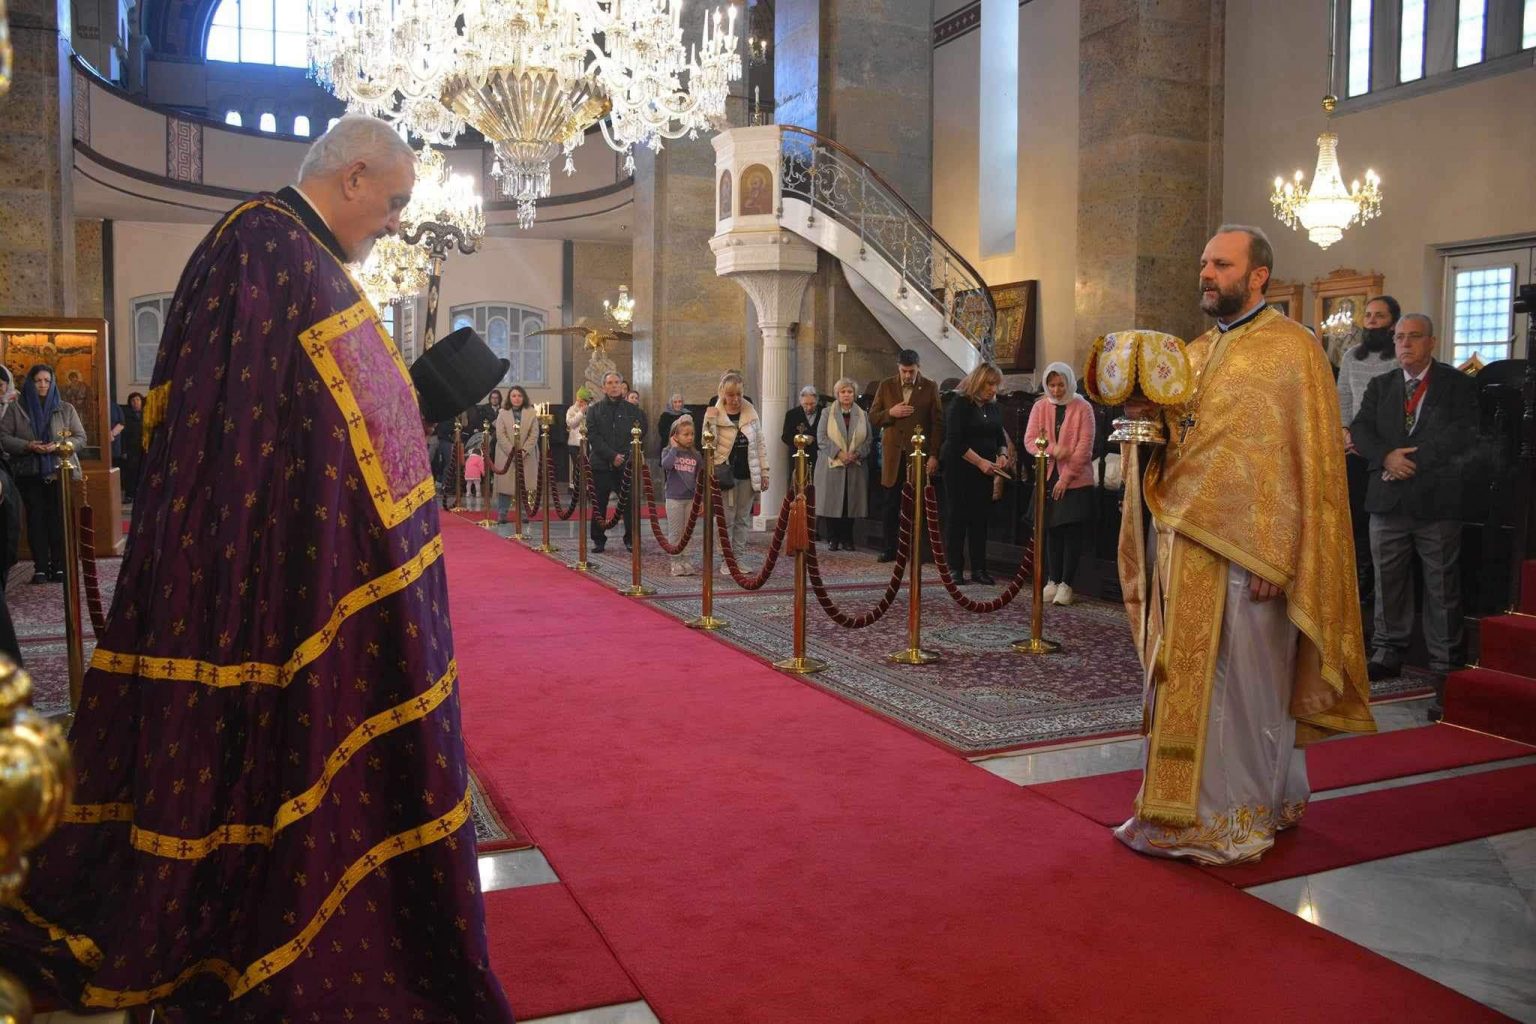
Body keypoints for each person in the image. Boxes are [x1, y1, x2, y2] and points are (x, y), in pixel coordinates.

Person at [0, 115, 514, 1022]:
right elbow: (238, 424)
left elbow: (325, 408)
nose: (397, 220)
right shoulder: (261, 250)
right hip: (270, 570)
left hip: (325, 558)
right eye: (394, 200)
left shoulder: (307, 260)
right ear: (353, 176)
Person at [1113, 225, 1375, 866]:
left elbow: (1307, 465)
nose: (1207, 274)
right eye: (1204, 263)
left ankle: (1241, 815)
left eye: (1222, 265)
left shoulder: (1294, 350)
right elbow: (1183, 443)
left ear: (1258, 276)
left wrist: (1282, 556)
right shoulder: (1194, 353)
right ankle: (1175, 809)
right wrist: (1146, 418)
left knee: (1247, 688)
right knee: (1181, 680)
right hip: (1184, 543)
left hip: (1254, 557)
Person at [1350, 313, 1480, 718]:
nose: (1405, 344)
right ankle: (1387, 652)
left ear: (1431, 342)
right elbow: (1361, 429)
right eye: (1400, 338)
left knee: (1441, 585)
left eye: (1414, 337)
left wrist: (1412, 463)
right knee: (1387, 582)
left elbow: (1461, 434)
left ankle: (1445, 662)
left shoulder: (1457, 385)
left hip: (1436, 502)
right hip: (1387, 500)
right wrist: (1386, 456)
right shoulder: (1381, 385)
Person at [0, 364, 89, 583]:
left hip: (59, 471)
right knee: (36, 520)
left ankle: (58, 566)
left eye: (46, 381)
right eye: (38, 381)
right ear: (31, 383)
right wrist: (28, 445)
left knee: (58, 520)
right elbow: (3, 437)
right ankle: (40, 567)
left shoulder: (65, 408)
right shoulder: (16, 408)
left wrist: (58, 446)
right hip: (28, 473)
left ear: (52, 383)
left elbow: (80, 438)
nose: (42, 385)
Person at [1338, 296, 1401, 603]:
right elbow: (1344, 397)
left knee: (1383, 517)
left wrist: (1377, 445)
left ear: (1392, 323)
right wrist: (1345, 431)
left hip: (1386, 448)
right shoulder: (1352, 356)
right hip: (1354, 449)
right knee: (1357, 516)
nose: (1372, 321)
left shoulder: (1398, 357)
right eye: (1369, 315)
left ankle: (1381, 578)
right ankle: (1361, 574)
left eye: (1380, 316)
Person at [1025, 361, 1094, 605]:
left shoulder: (1083, 407)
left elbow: (1084, 448)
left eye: (1060, 385)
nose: (1056, 390)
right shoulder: (1040, 406)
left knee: (1070, 531)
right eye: (1052, 385)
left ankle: (1066, 584)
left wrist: (1065, 478)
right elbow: (1030, 440)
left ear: (1069, 383)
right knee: (1051, 529)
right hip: (1047, 475)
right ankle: (1052, 580)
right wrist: (1054, 450)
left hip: (1075, 478)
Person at [869, 350, 944, 562]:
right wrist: (890, 413)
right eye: (904, 371)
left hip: (918, 455)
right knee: (890, 503)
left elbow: (938, 424)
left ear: (919, 367)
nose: (908, 375)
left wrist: (934, 455)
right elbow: (873, 417)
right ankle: (889, 548)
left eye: (911, 371)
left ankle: (918, 549)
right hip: (893, 454)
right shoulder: (886, 385)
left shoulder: (930, 387)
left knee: (919, 503)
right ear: (898, 368)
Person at [940, 362, 1009, 585]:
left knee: (980, 520)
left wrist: (1003, 454)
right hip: (960, 469)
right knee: (958, 518)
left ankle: (979, 569)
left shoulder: (993, 407)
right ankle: (955, 568)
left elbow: (999, 436)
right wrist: (980, 462)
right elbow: (955, 441)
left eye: (996, 385)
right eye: (989, 384)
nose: (993, 389)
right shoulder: (960, 404)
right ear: (979, 381)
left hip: (985, 471)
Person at [702, 371, 769, 561]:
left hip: (748, 472)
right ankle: (726, 559)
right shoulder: (713, 412)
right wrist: (711, 421)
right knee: (726, 519)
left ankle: (738, 558)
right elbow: (707, 445)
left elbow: (760, 444)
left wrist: (764, 472)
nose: (735, 399)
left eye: (739, 394)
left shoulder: (750, 412)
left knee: (743, 519)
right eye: (731, 395)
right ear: (722, 393)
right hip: (726, 474)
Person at [588, 370, 647, 553]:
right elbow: (594, 437)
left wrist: (623, 455)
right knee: (599, 503)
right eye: (610, 383)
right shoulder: (594, 410)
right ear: (603, 387)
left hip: (626, 465)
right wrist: (612, 456)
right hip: (601, 464)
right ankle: (598, 540)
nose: (613, 386)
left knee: (629, 504)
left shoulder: (634, 411)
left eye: (616, 383)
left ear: (622, 386)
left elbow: (640, 434)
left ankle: (631, 539)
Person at [813, 378, 873, 551]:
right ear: (837, 394)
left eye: (849, 392)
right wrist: (840, 453)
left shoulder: (862, 414)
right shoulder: (827, 413)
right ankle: (833, 538)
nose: (846, 395)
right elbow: (821, 438)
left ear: (854, 394)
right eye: (843, 392)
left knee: (850, 503)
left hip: (855, 464)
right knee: (832, 501)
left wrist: (856, 454)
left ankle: (848, 539)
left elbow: (868, 440)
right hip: (832, 464)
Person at [660, 414, 701, 576]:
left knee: (688, 532)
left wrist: (700, 499)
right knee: (676, 532)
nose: (690, 437)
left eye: (692, 434)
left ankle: (686, 560)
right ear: (675, 436)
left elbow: (699, 477)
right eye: (686, 434)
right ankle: (676, 561)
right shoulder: (668, 451)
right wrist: (674, 449)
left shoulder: (696, 455)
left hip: (690, 499)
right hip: (674, 499)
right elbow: (666, 465)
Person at [493, 384, 538, 524]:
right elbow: (500, 434)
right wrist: (512, 452)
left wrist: (523, 451)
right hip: (506, 455)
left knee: (526, 485)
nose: (516, 398)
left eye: (519, 395)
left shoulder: (531, 412)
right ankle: (502, 513)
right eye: (513, 396)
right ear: (509, 398)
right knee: (505, 485)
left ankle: (525, 512)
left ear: (523, 397)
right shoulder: (502, 413)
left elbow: (534, 434)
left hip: (526, 455)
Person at [782, 385, 822, 471]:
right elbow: (785, 437)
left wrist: (814, 439)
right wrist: (802, 439)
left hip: (819, 458)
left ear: (817, 401)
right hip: (798, 459)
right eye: (805, 404)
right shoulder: (792, 414)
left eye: (812, 404)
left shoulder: (824, 413)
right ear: (801, 401)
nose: (809, 407)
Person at [120, 390, 145, 501]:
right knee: (131, 472)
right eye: (133, 400)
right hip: (131, 449)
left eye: (138, 400)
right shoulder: (125, 416)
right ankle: (130, 495)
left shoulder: (147, 415)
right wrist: (124, 450)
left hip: (144, 448)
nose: (136, 402)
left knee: (143, 471)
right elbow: (123, 435)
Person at [566, 385, 593, 478]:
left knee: (587, 467)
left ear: (587, 402)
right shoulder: (571, 410)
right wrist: (581, 413)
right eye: (578, 400)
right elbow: (571, 424)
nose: (579, 403)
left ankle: (588, 485)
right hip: (575, 444)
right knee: (577, 467)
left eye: (582, 401)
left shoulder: (592, 410)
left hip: (588, 443)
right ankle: (576, 485)